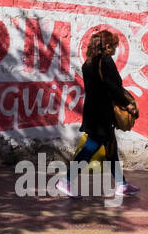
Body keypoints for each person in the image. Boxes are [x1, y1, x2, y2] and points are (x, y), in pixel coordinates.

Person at [58, 30, 139, 197]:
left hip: (93, 110)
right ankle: (66, 181)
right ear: (107, 46)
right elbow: (113, 87)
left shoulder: (88, 63)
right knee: (90, 148)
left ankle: (121, 184)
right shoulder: (106, 61)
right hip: (101, 114)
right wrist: (127, 104)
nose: (116, 49)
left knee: (111, 149)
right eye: (114, 46)